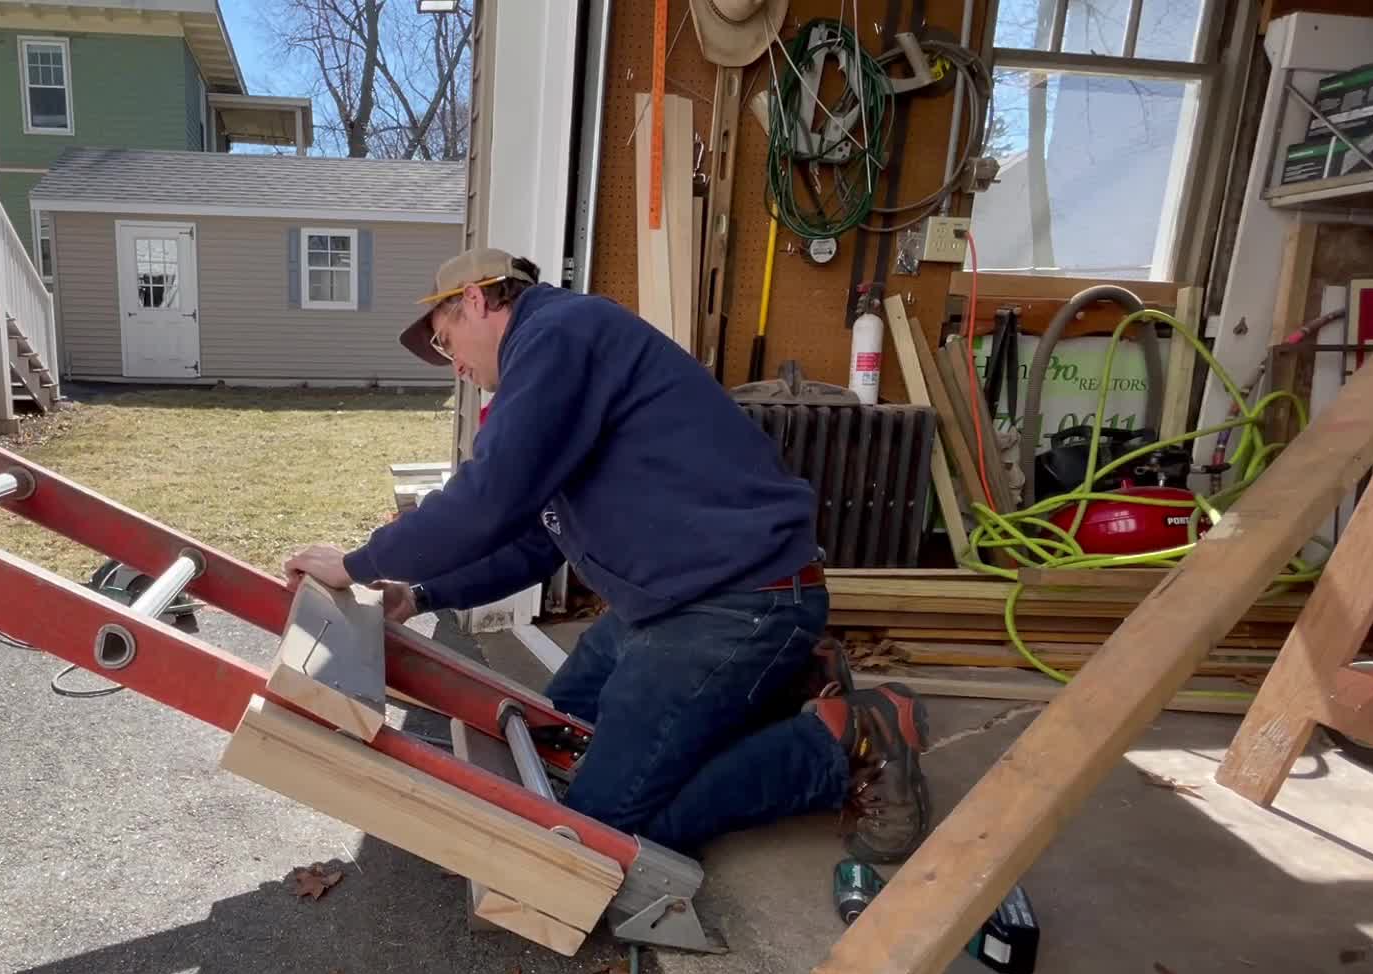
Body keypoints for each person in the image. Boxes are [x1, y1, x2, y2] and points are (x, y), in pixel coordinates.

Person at [283, 248, 931, 863]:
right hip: (670, 603)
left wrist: (358, 563)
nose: (454, 367)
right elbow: (536, 543)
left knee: (602, 829)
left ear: (476, 300)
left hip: (739, 600)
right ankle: (779, 686)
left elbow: (488, 499)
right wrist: (421, 594)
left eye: (446, 342)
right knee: (559, 736)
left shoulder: (555, 336)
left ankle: (842, 743)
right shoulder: (557, 359)